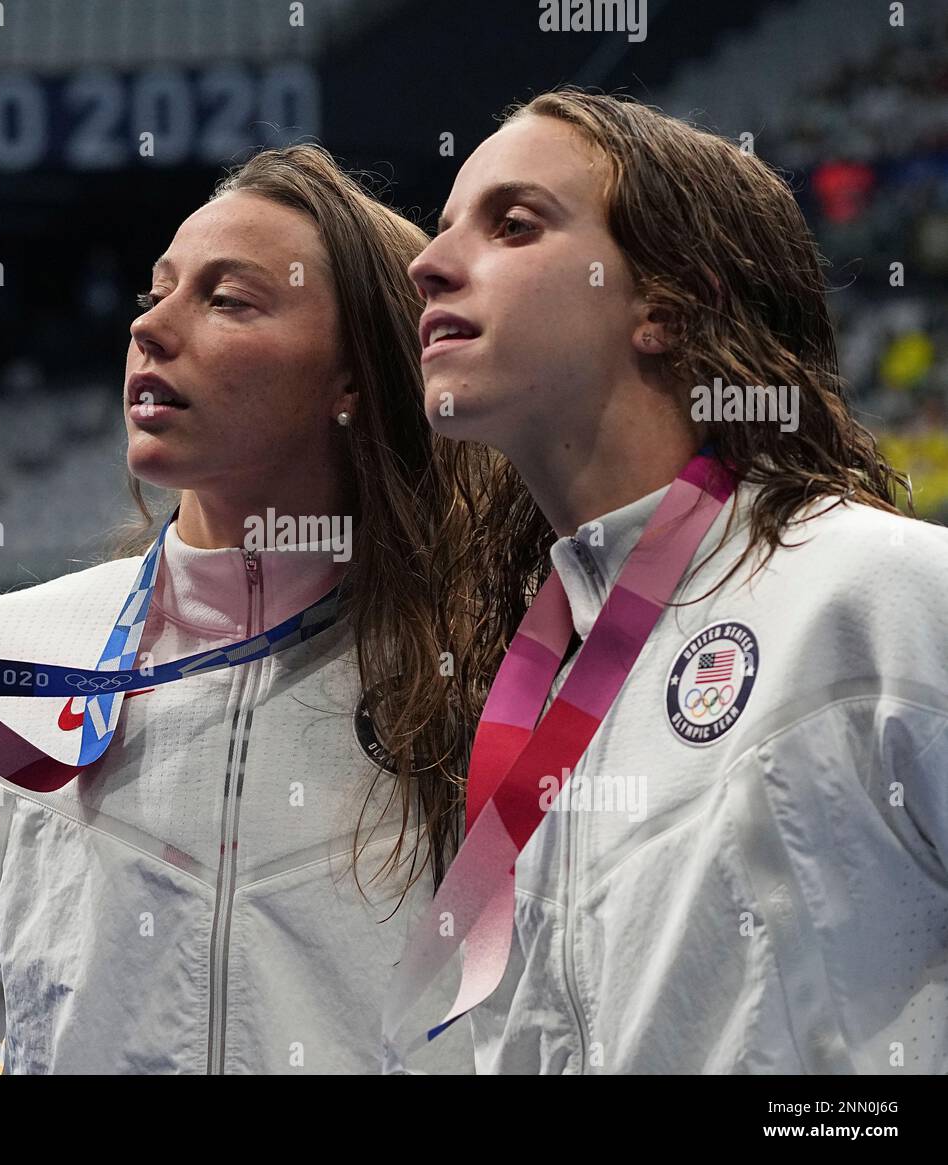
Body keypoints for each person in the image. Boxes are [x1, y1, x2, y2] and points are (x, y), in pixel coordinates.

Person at [0, 144, 486, 1074]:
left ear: (354, 379)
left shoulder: (480, 675)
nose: (151, 329)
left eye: (227, 300)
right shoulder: (0, 663)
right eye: (158, 293)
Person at [405, 88, 948, 1074]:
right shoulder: (534, 694)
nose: (428, 264)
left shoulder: (881, 594)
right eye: (443, 228)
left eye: (511, 225)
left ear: (665, 306)